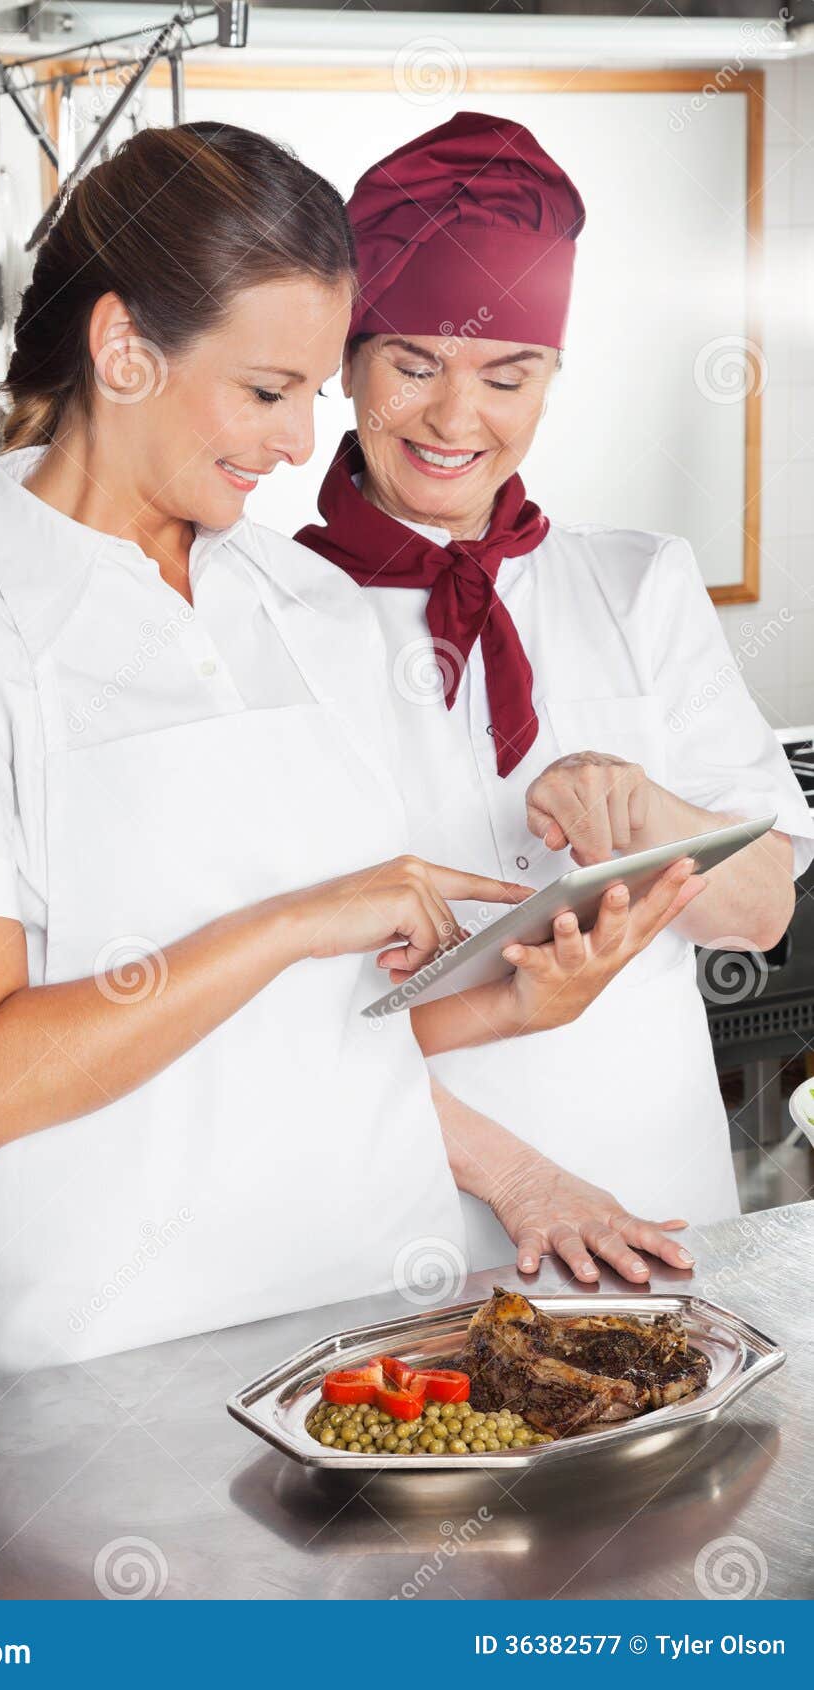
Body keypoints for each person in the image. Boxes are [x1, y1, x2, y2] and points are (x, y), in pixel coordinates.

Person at [0, 123, 700, 1387]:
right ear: (122, 348)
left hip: (385, 1326)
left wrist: (510, 1004)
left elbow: (321, 1030)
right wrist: (295, 919)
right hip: (120, 1365)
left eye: (311, 390)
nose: (303, 445)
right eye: (265, 389)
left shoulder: (301, 605)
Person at [297, 110, 814, 1277]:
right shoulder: (258, 615)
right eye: (412, 363)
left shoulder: (639, 583)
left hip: (656, 1205)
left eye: (505, 373)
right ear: (345, 359)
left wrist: (642, 812)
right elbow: (258, 1025)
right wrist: (515, 1176)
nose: (452, 417)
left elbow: (756, 912)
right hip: (392, 1218)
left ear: (551, 378)